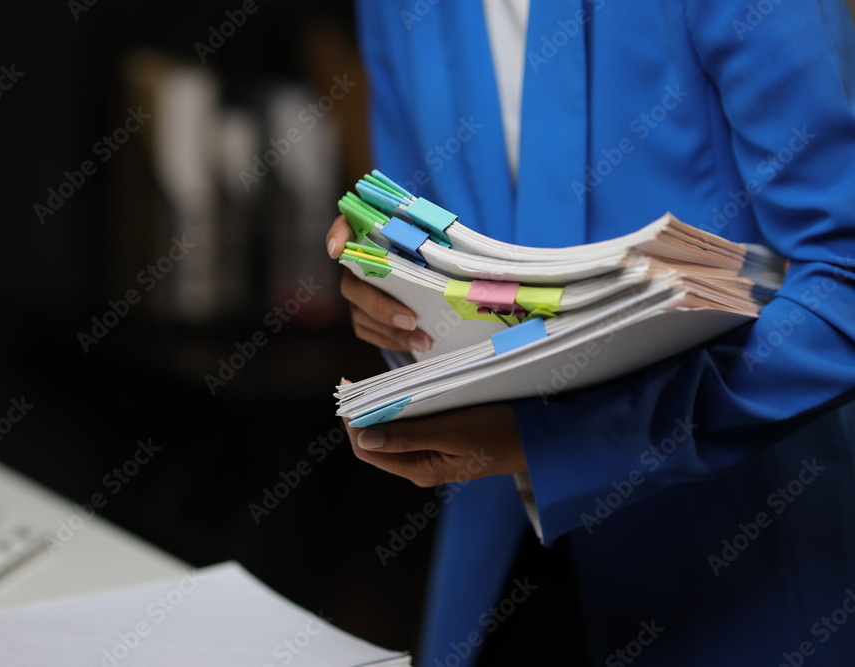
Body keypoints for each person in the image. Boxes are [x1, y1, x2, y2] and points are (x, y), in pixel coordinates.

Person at [325, 1, 855, 665]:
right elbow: (432, 256)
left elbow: (843, 282)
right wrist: (399, 307)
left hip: (742, 561)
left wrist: (565, 436)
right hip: (491, 567)